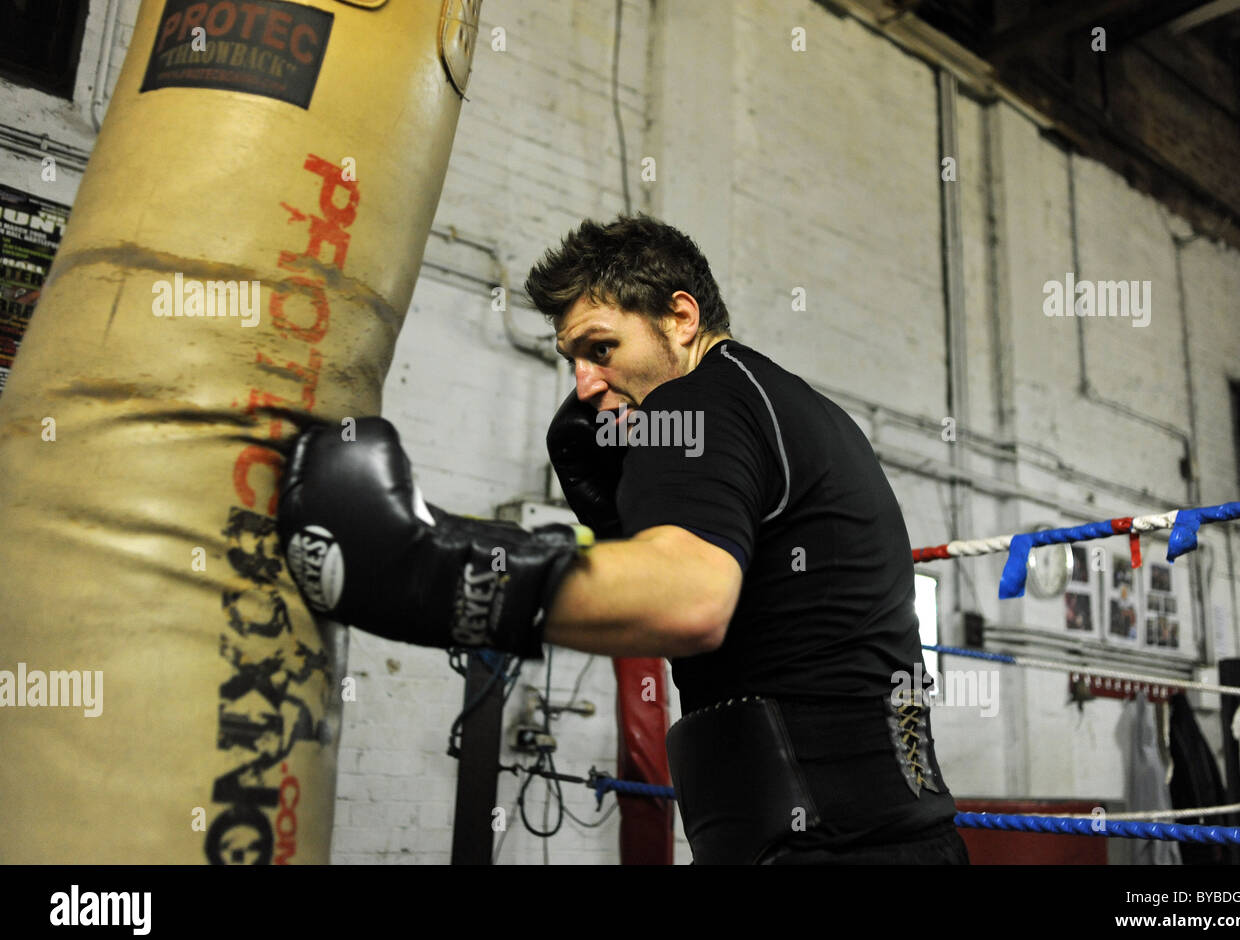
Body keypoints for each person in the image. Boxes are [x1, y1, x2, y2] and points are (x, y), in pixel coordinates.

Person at [276, 213, 967, 865]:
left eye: (601, 347)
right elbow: (746, 616)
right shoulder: (793, 406)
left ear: (681, 317)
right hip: (895, 835)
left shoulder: (695, 401)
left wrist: (422, 572)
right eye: (571, 358)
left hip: (821, 848)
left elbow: (688, 603)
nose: (583, 382)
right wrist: (620, 527)